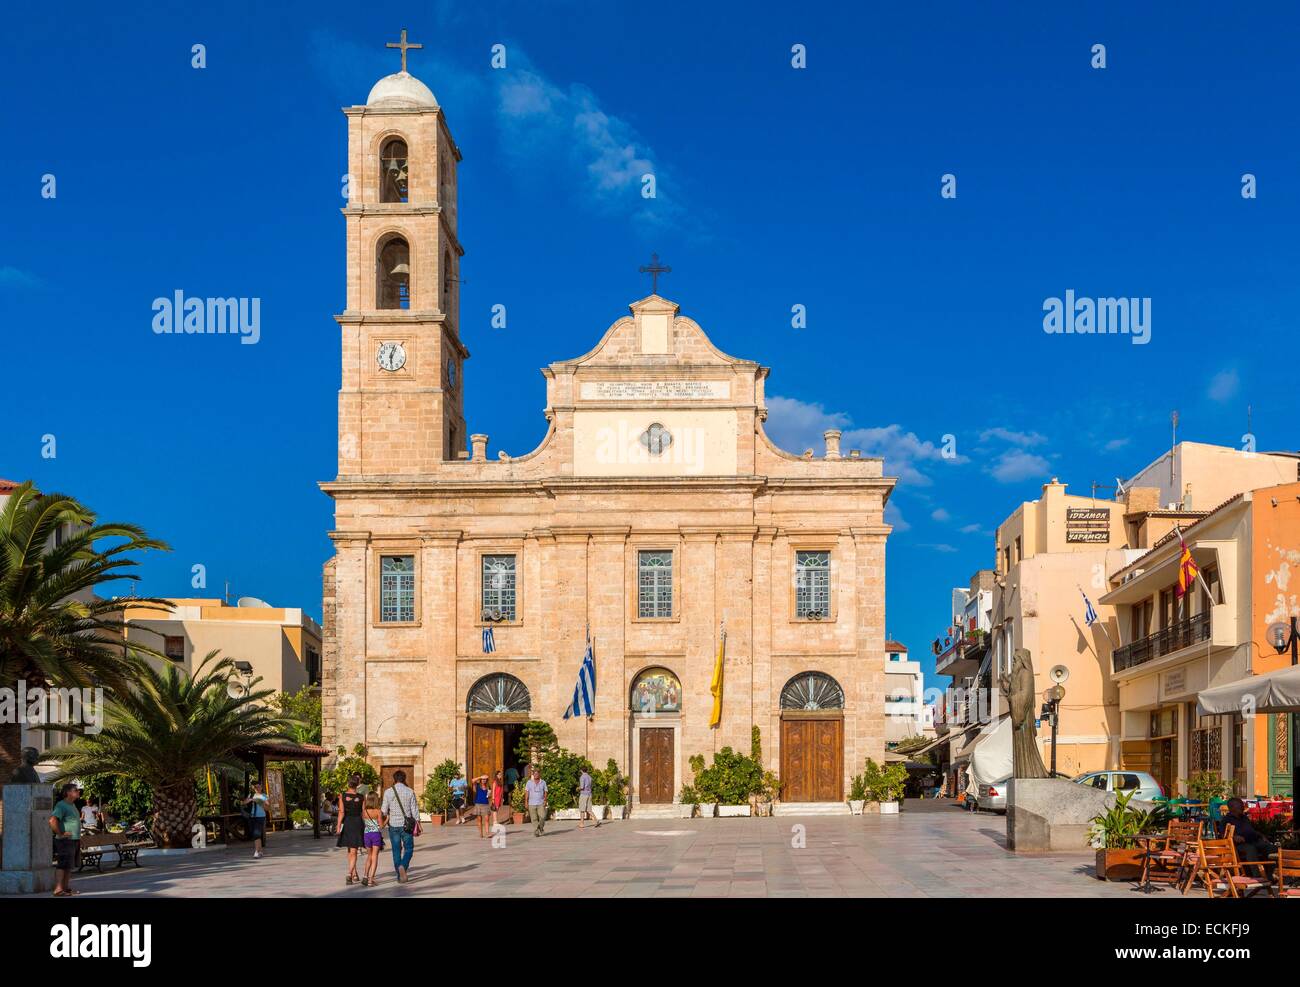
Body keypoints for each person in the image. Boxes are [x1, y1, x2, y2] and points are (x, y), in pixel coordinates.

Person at [381, 769, 420, 883]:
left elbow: (383, 810)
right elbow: (415, 810)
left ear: (394, 779)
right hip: (406, 826)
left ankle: (399, 874)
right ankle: (403, 865)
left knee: (396, 850)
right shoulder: (410, 791)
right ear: (404, 779)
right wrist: (418, 823)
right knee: (409, 849)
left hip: (393, 825)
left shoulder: (388, 792)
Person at [49, 782, 82, 896]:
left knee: (68, 865)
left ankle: (65, 888)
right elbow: (52, 821)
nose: (78, 792)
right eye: (75, 790)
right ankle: (58, 889)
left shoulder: (72, 805)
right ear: (68, 793)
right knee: (63, 864)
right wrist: (61, 833)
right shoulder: (61, 805)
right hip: (65, 840)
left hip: (73, 839)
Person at [1221, 797, 1277, 862]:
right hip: (1239, 845)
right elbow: (1223, 835)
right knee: (1251, 849)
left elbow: (1252, 830)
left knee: (1272, 848)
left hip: (1253, 841)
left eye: (1242, 804)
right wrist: (1234, 837)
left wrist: (1261, 836)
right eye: (1240, 805)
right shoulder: (1226, 820)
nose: (1243, 806)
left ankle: (1270, 871)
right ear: (1232, 807)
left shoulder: (1244, 818)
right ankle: (1255, 871)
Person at [336, 773, 365, 884]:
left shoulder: (342, 796)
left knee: (351, 850)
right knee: (352, 850)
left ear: (348, 783)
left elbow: (341, 812)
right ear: (357, 784)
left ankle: (352, 873)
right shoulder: (361, 797)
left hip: (348, 823)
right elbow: (363, 813)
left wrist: (338, 827)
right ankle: (351, 873)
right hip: (357, 823)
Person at [361, 791, 384, 886]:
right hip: (376, 835)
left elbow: (364, 823)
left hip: (366, 835)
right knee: (375, 857)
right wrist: (387, 819)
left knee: (369, 856)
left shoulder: (364, 811)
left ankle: (365, 876)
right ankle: (371, 880)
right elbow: (381, 826)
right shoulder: (378, 811)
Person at [243, 782, 270, 859]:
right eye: (255, 787)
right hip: (251, 817)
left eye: (258, 787)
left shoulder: (264, 796)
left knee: (256, 834)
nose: (257, 788)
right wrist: (248, 800)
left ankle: (257, 851)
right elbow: (243, 803)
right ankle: (260, 851)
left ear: (261, 787)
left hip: (260, 817)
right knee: (255, 834)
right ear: (253, 788)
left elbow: (267, 808)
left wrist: (259, 802)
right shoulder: (251, 795)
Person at [525, 766, 548, 837]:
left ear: (539, 774)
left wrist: (545, 800)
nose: (536, 775)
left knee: (543, 816)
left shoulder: (543, 782)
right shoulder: (529, 782)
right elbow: (526, 792)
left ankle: (540, 828)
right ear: (533, 775)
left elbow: (545, 791)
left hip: (540, 803)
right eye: (534, 774)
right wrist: (526, 801)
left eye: (537, 774)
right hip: (531, 803)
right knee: (534, 818)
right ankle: (536, 830)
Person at [578, 765, 600, 830]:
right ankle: (596, 820)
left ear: (581, 770)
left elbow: (582, 787)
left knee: (582, 809)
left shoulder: (582, 777)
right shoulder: (589, 777)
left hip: (583, 794)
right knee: (589, 809)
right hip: (589, 794)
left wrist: (577, 788)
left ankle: (582, 823)